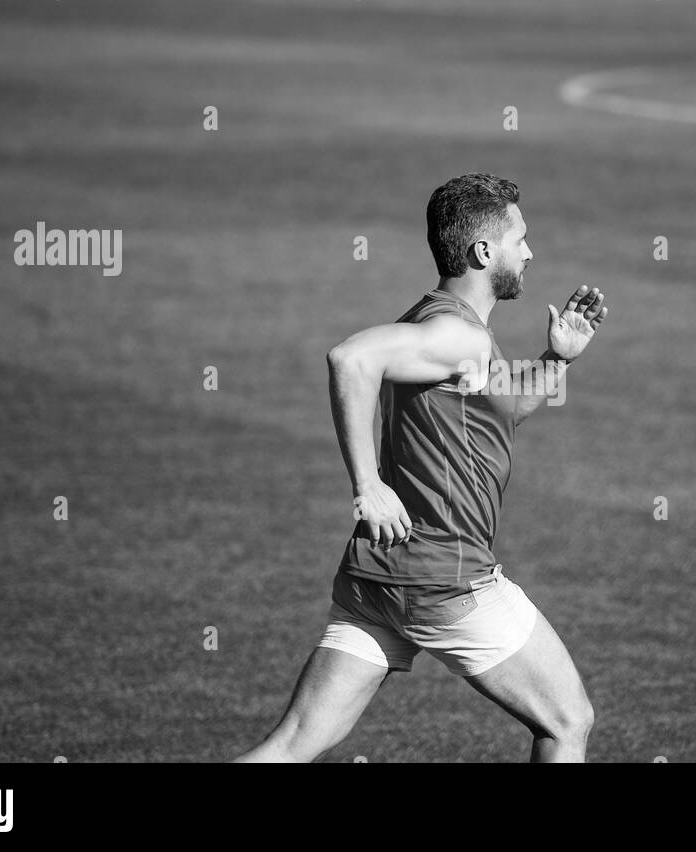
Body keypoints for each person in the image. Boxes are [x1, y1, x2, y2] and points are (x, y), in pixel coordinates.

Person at [237, 173, 609, 762]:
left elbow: (500, 411)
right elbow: (351, 359)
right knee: (567, 721)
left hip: (378, 577)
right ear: (484, 252)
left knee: (293, 744)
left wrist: (555, 360)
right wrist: (368, 485)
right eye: (521, 239)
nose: (530, 253)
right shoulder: (454, 333)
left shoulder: (443, 326)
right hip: (445, 577)